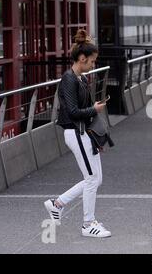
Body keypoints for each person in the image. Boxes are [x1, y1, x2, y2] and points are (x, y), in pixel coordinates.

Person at [44, 29, 111, 238]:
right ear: (82, 59)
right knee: (92, 178)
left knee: (95, 178)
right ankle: (87, 224)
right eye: (91, 61)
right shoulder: (69, 80)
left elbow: (77, 108)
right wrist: (94, 109)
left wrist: (92, 108)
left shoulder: (78, 78)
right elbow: (72, 112)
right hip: (77, 133)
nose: (93, 65)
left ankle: (57, 204)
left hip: (83, 133)